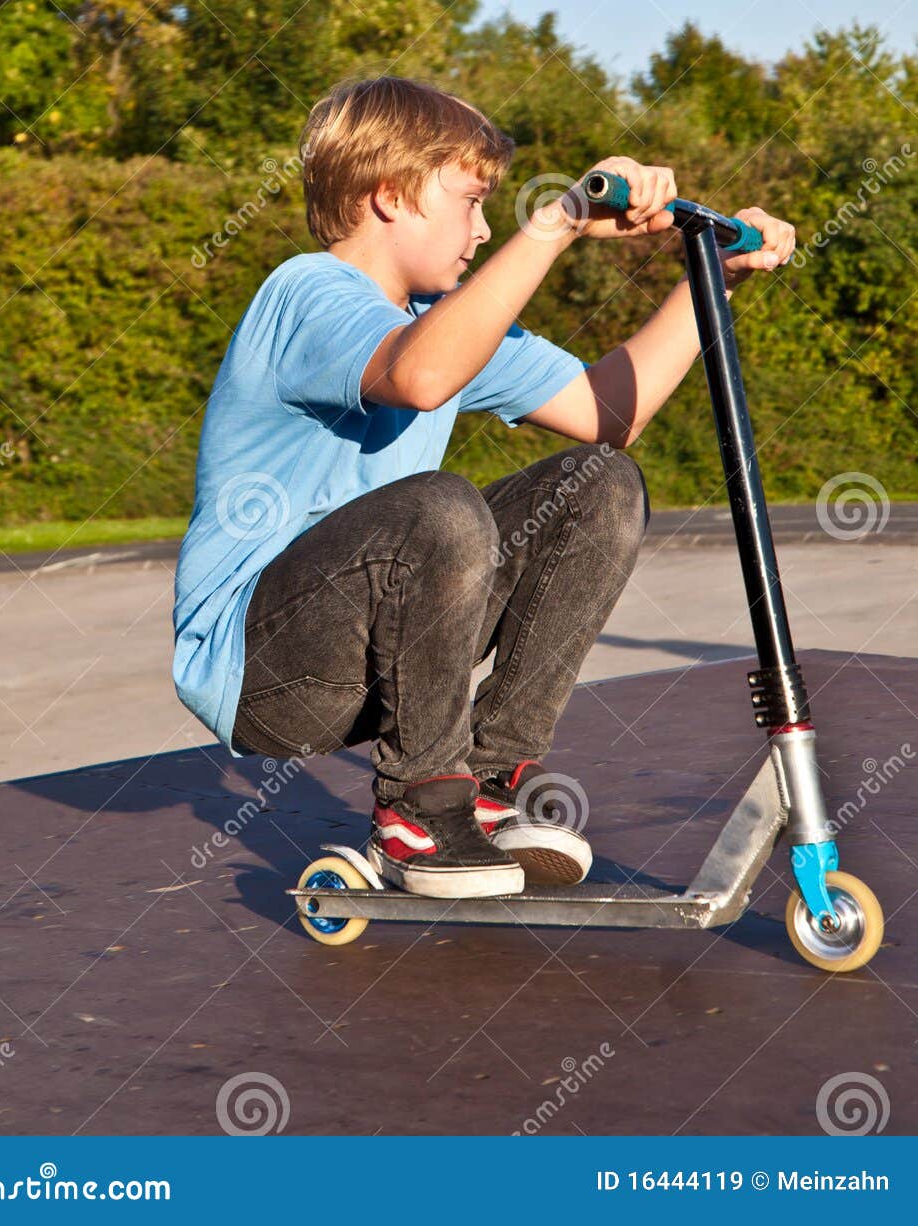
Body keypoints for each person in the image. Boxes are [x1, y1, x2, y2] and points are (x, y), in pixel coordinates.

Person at [172, 76, 794, 899]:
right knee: (439, 504)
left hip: (381, 655)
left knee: (596, 481)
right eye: (469, 201)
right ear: (388, 196)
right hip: (267, 671)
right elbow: (422, 375)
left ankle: (488, 786)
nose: (483, 225)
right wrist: (557, 224)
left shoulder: (449, 316)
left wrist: (710, 272)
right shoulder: (304, 292)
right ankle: (418, 810)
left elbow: (607, 412)